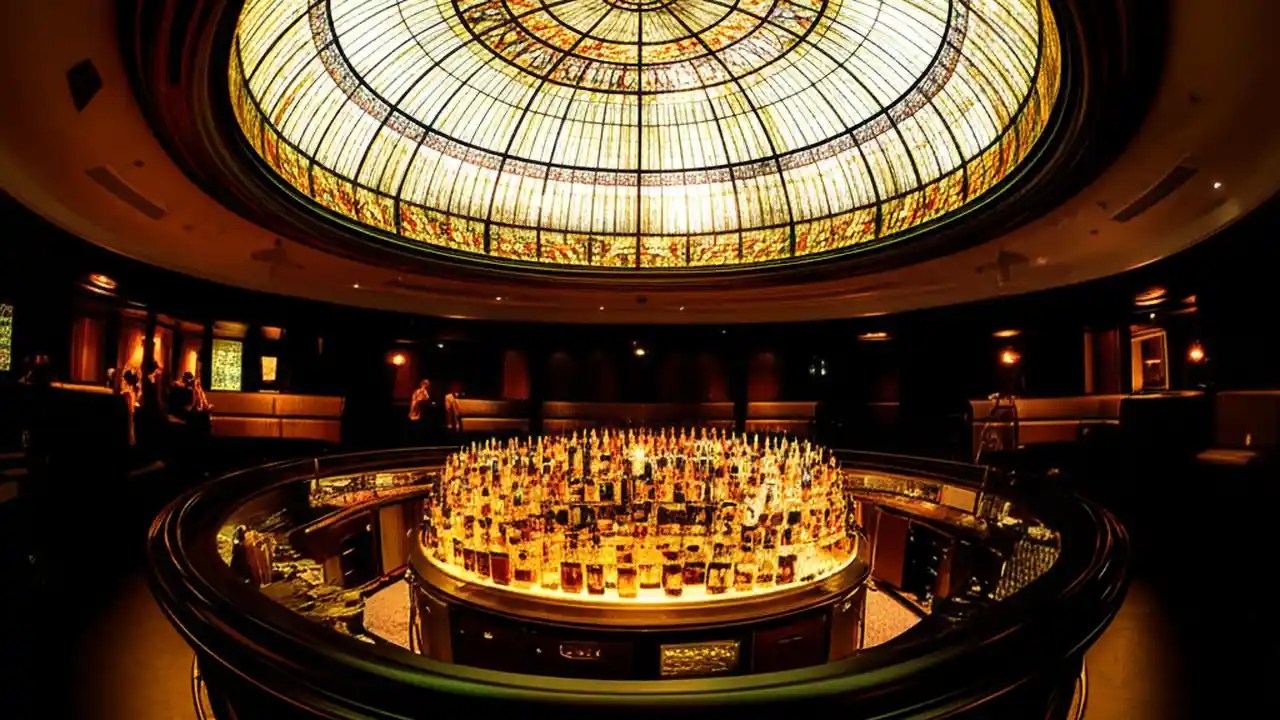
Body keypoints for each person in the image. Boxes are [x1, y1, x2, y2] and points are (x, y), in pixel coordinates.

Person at [408, 379, 431, 444]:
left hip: (422, 404)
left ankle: (418, 414)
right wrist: (416, 398)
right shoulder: (417, 391)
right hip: (416, 403)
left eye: (425, 384)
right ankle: (412, 413)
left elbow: (427, 398)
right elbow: (413, 397)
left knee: (417, 403)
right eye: (423, 384)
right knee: (414, 402)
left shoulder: (425, 391)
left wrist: (423, 393)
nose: (424, 385)